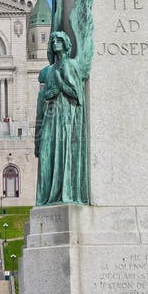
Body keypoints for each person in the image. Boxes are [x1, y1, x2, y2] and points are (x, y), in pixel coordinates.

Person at [35, 31, 89, 205]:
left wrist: (60, 85)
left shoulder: (70, 65)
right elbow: (43, 97)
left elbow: (77, 95)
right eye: (52, 40)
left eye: (59, 40)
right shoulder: (47, 71)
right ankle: (47, 196)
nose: (55, 43)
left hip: (64, 115)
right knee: (46, 153)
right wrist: (48, 94)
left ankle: (64, 192)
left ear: (66, 44)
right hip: (50, 117)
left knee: (63, 152)